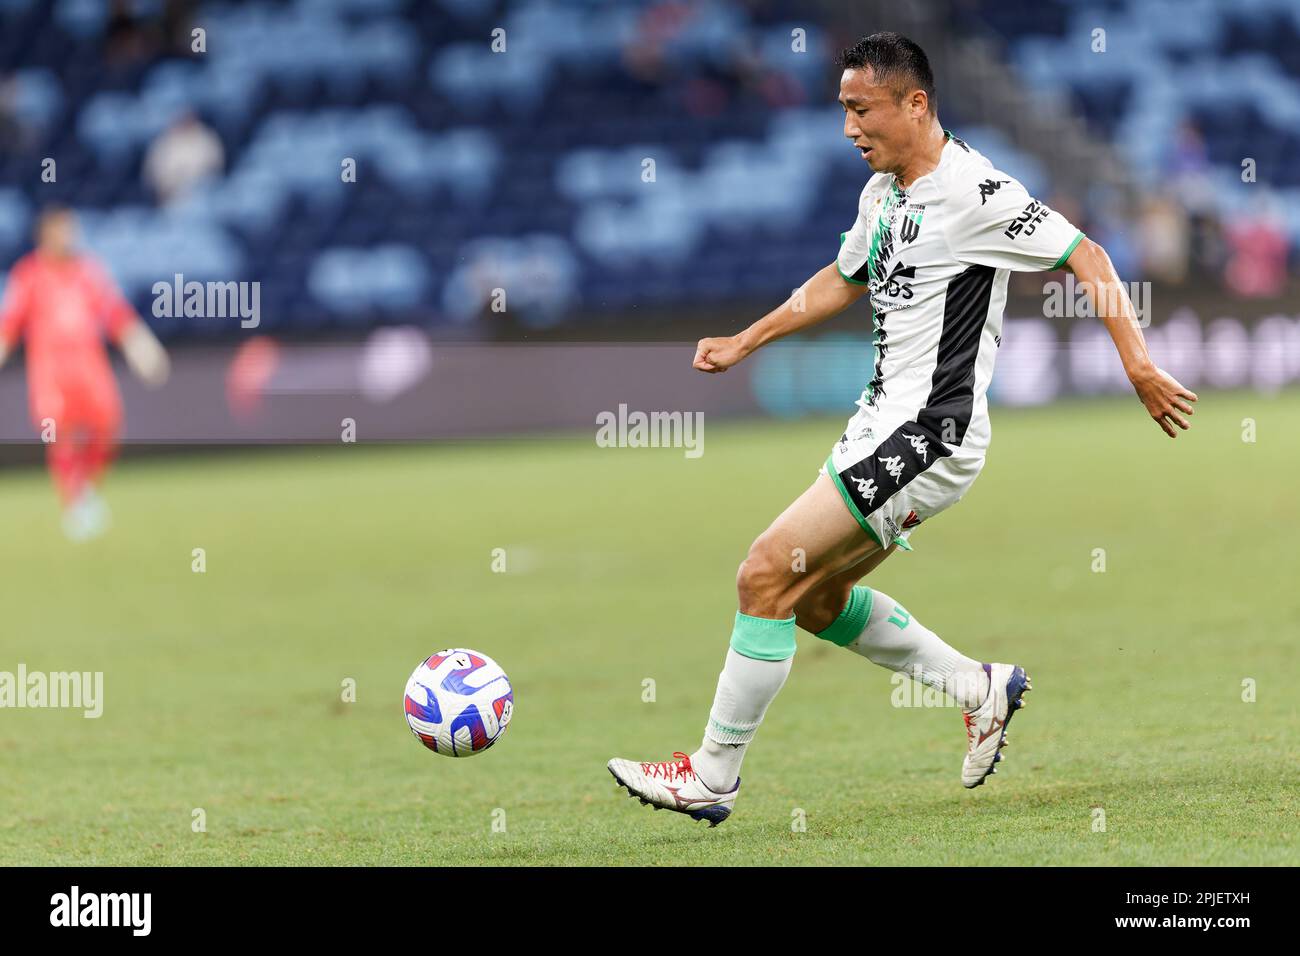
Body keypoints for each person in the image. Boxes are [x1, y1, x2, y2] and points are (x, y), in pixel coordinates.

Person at [606, 33, 1197, 825]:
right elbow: (841, 280)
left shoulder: (974, 190)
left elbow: (1084, 253)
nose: (849, 128)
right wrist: (749, 338)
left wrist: (1139, 365)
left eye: (860, 109)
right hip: (878, 426)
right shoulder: (882, 192)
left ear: (914, 103)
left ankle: (713, 775)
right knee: (814, 600)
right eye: (843, 110)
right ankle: (978, 688)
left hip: (928, 434)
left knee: (761, 575)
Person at [0, 207, 170, 539]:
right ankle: (74, 503)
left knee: (107, 427)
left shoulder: (88, 272)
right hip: (51, 372)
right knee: (59, 434)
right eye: (63, 231)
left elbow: (117, 315)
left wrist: (143, 349)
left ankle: (86, 489)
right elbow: (9, 325)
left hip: (90, 370)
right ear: (46, 236)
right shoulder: (29, 275)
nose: (69, 238)